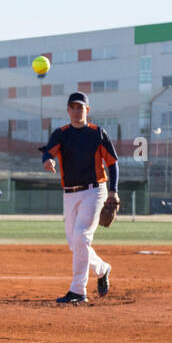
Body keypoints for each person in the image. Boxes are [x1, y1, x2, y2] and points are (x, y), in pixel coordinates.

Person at [39, 92, 118, 305]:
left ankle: (77, 290)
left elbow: (112, 163)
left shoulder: (97, 133)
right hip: (70, 194)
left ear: (87, 110)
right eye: (73, 107)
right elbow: (48, 153)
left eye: (80, 107)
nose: (76, 111)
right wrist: (47, 161)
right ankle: (102, 269)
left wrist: (113, 190)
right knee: (76, 245)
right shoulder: (61, 134)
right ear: (68, 110)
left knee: (82, 238)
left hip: (94, 191)